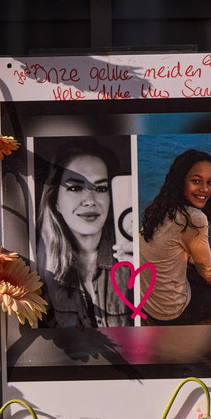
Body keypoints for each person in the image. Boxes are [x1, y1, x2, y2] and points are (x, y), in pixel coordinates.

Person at [35, 138, 133, 328]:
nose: (90, 200)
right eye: (75, 187)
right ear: (55, 201)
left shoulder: (132, 256)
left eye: (101, 188)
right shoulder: (36, 269)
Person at [137, 149, 211, 326]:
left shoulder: (160, 207)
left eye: (210, 182)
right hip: (169, 311)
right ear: (180, 182)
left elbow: (173, 250)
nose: (205, 189)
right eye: (196, 181)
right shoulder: (194, 218)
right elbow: (207, 270)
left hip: (148, 301)